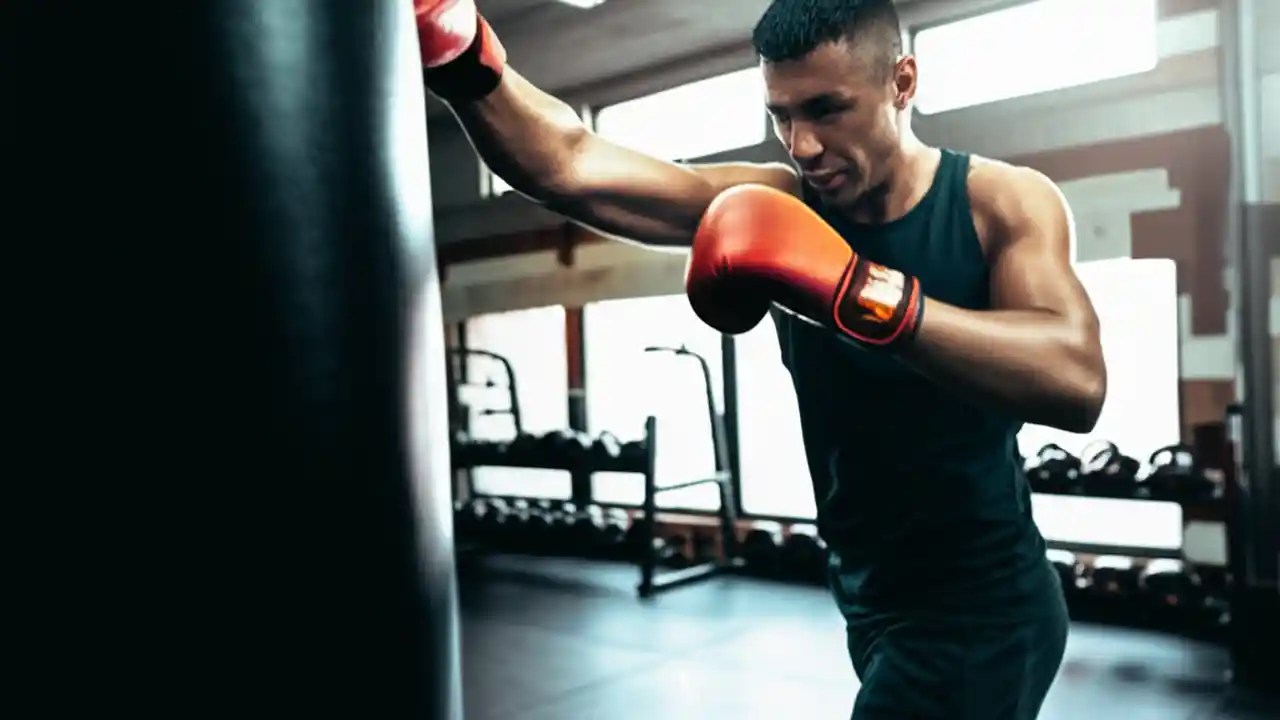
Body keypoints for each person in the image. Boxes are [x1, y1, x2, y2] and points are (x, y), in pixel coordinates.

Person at [415, 0, 1107, 717]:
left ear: (902, 82)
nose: (800, 145)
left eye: (826, 109)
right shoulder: (782, 205)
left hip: (982, 604)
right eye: (781, 115)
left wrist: (862, 296)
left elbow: (1077, 380)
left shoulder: (998, 201)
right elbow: (572, 165)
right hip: (868, 595)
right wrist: (467, 61)